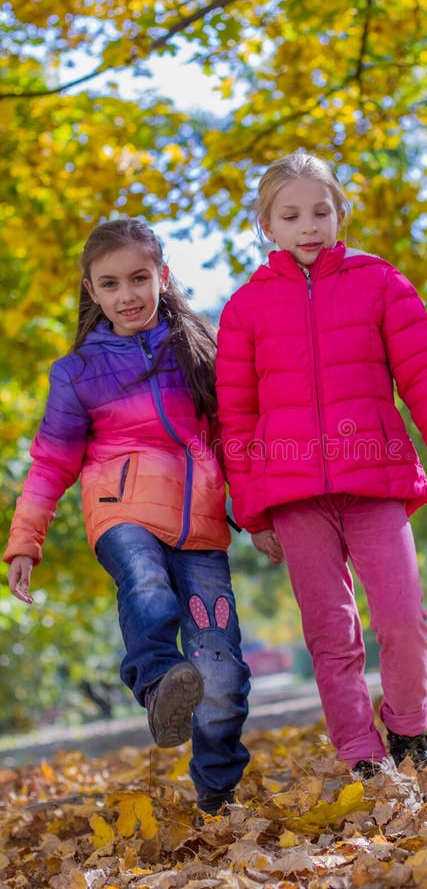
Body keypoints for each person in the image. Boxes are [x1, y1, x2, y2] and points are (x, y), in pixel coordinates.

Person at [215, 151, 427, 795]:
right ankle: (362, 754)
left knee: (402, 616)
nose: (308, 226)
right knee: (331, 634)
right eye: (291, 215)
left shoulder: (380, 283)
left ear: (339, 214)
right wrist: (251, 512)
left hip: (377, 482)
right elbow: (237, 419)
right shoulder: (245, 309)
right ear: (267, 225)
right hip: (294, 497)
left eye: (320, 211)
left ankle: (410, 732)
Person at [4, 217, 250, 816]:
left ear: (163, 277)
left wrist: (255, 509)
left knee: (220, 668)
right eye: (111, 284)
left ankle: (216, 791)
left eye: (139, 278)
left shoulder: (197, 350)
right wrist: (24, 541)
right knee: (143, 581)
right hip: (121, 512)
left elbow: (233, 438)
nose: (128, 295)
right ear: (93, 291)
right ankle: (158, 679)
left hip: (200, 526)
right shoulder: (78, 373)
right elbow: (49, 463)